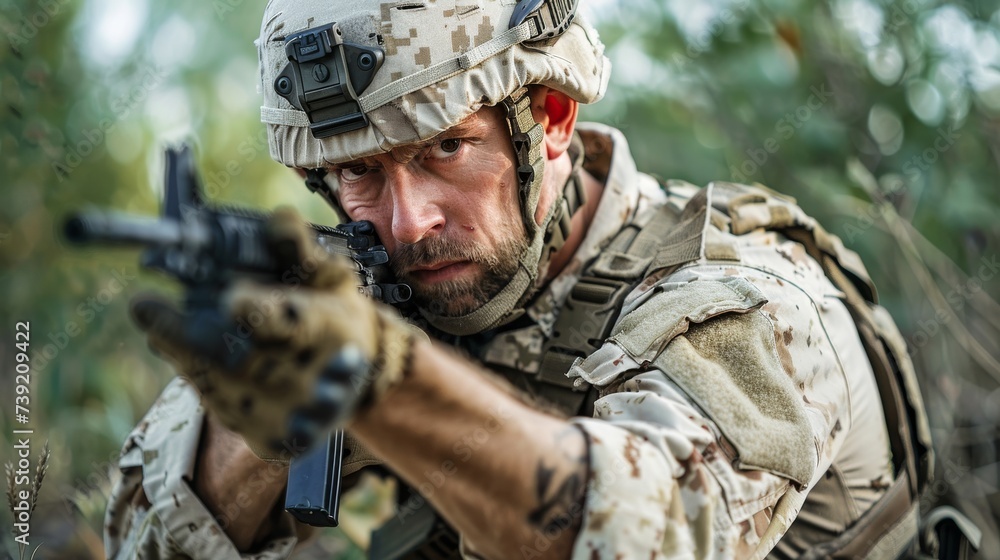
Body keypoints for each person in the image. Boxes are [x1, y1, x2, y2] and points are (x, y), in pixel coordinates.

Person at [103, 0, 935, 558]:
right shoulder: (361, 287)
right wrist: (266, 429)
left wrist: (384, 386)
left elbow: (649, 539)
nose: (407, 223)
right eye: (360, 174)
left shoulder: (742, 300)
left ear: (552, 120)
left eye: (445, 149)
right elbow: (136, 537)